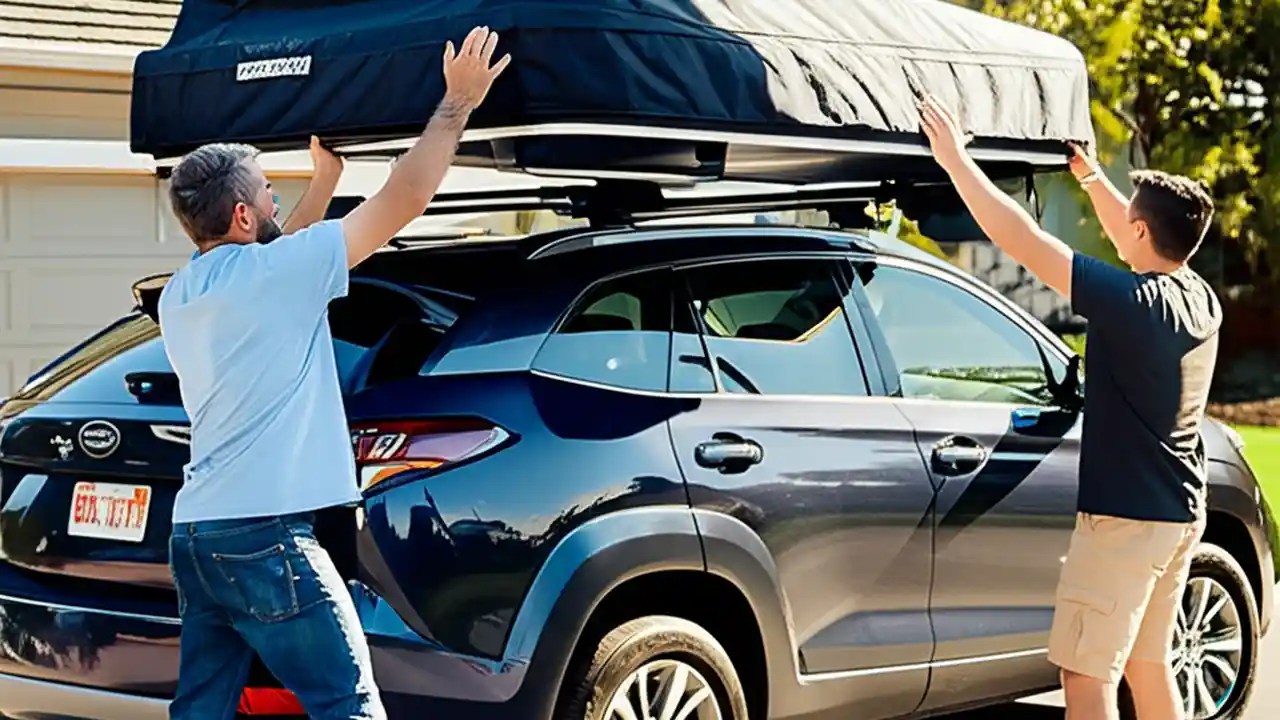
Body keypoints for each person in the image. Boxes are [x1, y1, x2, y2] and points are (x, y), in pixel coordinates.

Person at [158, 26, 511, 720]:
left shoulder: (185, 293)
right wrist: (457, 105)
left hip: (197, 535)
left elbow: (281, 256)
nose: (273, 203)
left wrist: (325, 182)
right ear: (240, 214)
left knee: (201, 710)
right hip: (265, 535)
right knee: (347, 704)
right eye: (267, 193)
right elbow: (405, 199)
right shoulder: (273, 272)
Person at [919, 96, 1219, 720]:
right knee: (1146, 665)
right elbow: (1132, 232)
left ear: (1142, 231)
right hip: (1178, 515)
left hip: (1123, 525)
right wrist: (1090, 178)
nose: (1120, 226)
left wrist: (956, 161)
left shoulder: (1131, 302)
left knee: (1085, 677)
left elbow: (1020, 238)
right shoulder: (1198, 298)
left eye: (1128, 219)